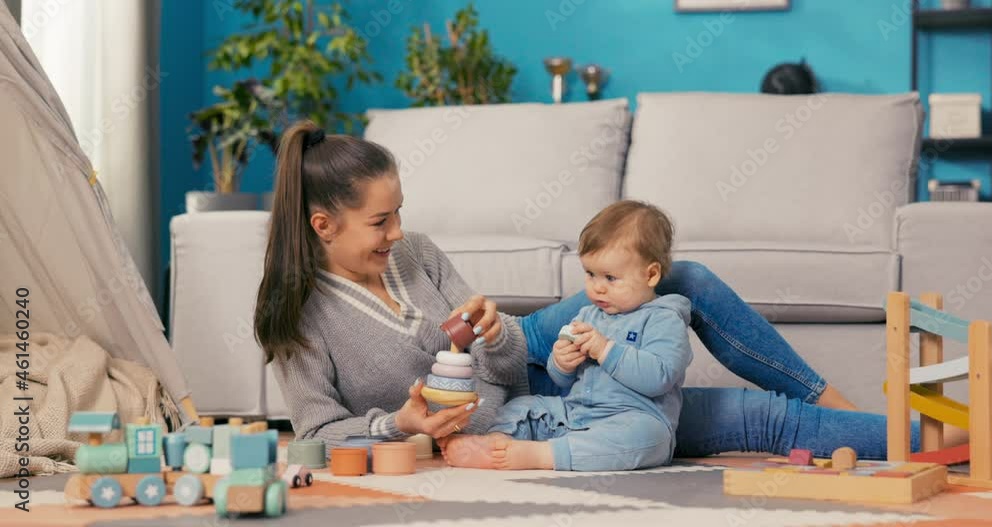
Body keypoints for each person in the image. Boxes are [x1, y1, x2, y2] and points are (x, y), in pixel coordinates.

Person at [254, 121, 921, 465]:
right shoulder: (296, 320)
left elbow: (510, 364)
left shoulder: (417, 252)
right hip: (538, 418)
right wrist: (398, 426)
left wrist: (495, 329)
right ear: (323, 225)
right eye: (380, 221)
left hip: (536, 355)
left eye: (400, 211)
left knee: (677, 278)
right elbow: (316, 433)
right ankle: (930, 438)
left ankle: (830, 398)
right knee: (759, 423)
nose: (399, 231)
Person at [441, 201, 693, 471]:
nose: (597, 288)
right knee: (522, 405)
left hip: (632, 417)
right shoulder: (587, 315)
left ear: (651, 274)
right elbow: (562, 379)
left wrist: (605, 350)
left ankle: (541, 455)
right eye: (590, 274)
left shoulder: (664, 319)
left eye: (610, 278)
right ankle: (497, 442)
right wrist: (561, 362)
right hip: (574, 413)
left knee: (648, 438)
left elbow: (660, 377)